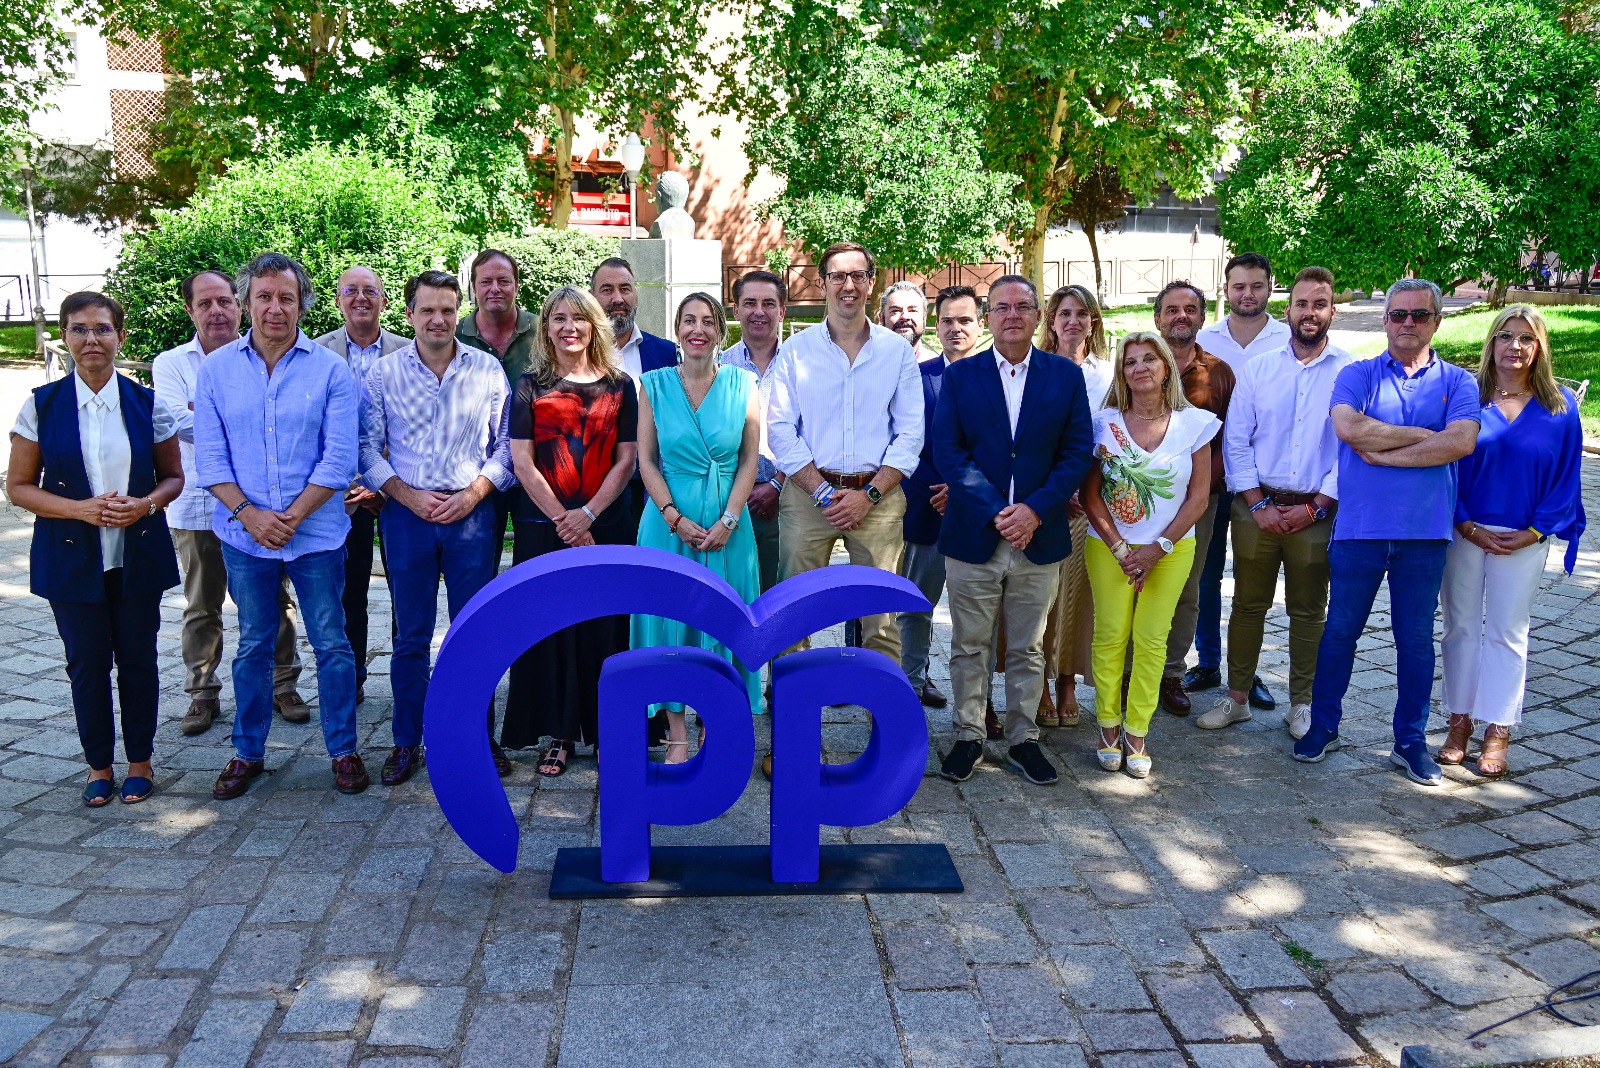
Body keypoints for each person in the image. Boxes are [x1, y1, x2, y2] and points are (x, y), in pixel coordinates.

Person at [1294, 279, 1480, 786]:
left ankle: (1409, 741)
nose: (1407, 323)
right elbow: (1349, 429)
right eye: (1398, 314)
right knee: (1340, 633)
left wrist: (1386, 452)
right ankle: (1324, 726)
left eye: (1419, 315)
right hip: (1359, 530)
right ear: (1385, 320)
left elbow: (1461, 442)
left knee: (1415, 641)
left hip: (1424, 533)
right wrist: (1426, 437)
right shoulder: (1357, 375)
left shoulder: (1459, 381)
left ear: (1437, 321)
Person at [195, 253, 367, 799]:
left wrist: (291, 517)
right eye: (264, 297)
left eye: (286, 298)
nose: (275, 308)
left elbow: (339, 459)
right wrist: (251, 516)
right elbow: (211, 461)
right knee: (253, 643)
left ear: (301, 305)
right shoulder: (216, 371)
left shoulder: (330, 370)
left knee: (332, 643)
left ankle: (343, 749)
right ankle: (247, 752)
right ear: (246, 302)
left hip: (316, 535)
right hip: (244, 536)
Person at [7, 291, 184, 806]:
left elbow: (173, 478)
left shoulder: (148, 403)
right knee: (86, 664)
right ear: (64, 336)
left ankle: (141, 761)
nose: (91, 339)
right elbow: (18, 487)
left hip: (137, 554)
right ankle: (98, 765)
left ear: (120, 337)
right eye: (79, 329)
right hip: (71, 555)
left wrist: (145, 505)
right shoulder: (42, 405)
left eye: (102, 329)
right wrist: (79, 509)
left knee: (138, 660)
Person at [933, 276, 1094, 786]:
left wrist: (1035, 510)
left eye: (1022, 306)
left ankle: (1024, 738)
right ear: (988, 317)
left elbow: (1076, 453)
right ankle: (969, 734)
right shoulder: (962, 376)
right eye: (1001, 308)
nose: (1012, 316)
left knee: (1029, 646)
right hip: (974, 534)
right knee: (970, 644)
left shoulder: (1065, 377)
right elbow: (948, 451)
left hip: (1038, 535)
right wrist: (999, 511)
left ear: (1038, 315)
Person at [358, 270, 515, 786]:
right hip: (407, 515)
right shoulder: (383, 374)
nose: (438, 319)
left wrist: (474, 493)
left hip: (472, 515)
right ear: (409, 314)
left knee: (474, 632)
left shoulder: (486, 369)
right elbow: (365, 448)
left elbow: (506, 448)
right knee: (410, 635)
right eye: (427, 310)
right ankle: (407, 740)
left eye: (447, 310)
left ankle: (477, 739)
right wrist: (405, 495)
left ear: (458, 313)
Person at [153, 270, 307, 736]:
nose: (216, 311)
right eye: (205, 304)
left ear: (239, 305)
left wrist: (218, 415)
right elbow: (176, 422)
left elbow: (274, 421)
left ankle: (283, 684)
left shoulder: (262, 355)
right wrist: (235, 418)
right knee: (202, 604)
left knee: (274, 599)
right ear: (190, 310)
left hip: (259, 509)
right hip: (196, 506)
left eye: (224, 301)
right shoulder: (171, 364)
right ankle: (202, 692)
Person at [1208, 267, 1356, 737]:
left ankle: (1303, 704)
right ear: (1287, 309)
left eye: (1319, 304)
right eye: (1302, 304)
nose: (1310, 313)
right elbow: (1236, 441)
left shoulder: (1350, 372)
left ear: (1332, 311)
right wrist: (1257, 504)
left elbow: (1350, 449)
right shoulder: (1259, 369)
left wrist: (1317, 506)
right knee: (1247, 605)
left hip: (1317, 511)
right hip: (1256, 508)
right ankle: (1237, 698)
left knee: (1308, 611)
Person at [1439, 305, 1583, 777]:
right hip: (1465, 532)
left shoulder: (1561, 406)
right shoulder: (1468, 397)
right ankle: (1458, 721)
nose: (1514, 346)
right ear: (1492, 343)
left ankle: (1498, 728)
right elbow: (1448, 465)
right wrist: (1465, 524)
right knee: (1460, 627)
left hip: (1526, 536)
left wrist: (1536, 531)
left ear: (1539, 347)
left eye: (1525, 338)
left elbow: (1567, 476)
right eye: (1505, 336)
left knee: (1508, 631)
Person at [502, 286, 639, 776]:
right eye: (558, 318)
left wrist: (588, 516)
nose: (569, 327)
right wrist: (565, 518)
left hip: (607, 526)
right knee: (554, 628)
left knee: (606, 628)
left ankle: (606, 731)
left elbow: (627, 461)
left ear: (593, 325)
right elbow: (522, 462)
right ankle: (559, 734)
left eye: (578, 318)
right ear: (546, 327)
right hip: (545, 528)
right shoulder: (529, 385)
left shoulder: (621, 385)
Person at [767, 241, 923, 665]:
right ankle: (791, 704)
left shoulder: (895, 351)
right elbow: (780, 430)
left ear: (872, 284)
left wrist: (868, 495)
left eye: (857, 276)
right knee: (793, 613)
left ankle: (881, 707)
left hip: (879, 499)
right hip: (807, 497)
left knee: (882, 620)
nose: (848, 285)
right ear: (822, 284)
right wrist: (822, 492)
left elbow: (910, 434)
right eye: (838, 276)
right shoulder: (796, 351)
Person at [1082, 331, 1219, 778]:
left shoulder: (1195, 423)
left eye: (1149, 359)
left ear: (1165, 367)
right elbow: (1090, 494)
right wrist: (1122, 548)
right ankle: (1107, 724)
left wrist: (1156, 550)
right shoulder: (1102, 423)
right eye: (1130, 361)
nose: (1140, 367)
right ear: (1121, 372)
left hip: (1172, 549)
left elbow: (1199, 498)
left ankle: (1137, 729)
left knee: (1152, 639)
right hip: (1110, 548)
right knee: (1110, 635)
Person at [634, 293, 762, 761]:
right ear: (677, 329)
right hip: (667, 526)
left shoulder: (744, 384)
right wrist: (673, 517)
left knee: (725, 621)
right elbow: (646, 460)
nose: (698, 330)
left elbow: (749, 459)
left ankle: (716, 724)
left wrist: (729, 518)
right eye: (689, 321)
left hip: (730, 525)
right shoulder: (652, 385)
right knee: (670, 622)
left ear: (720, 331)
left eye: (708, 321)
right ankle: (677, 734)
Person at [1186, 254, 1290, 711]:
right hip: (1208, 481)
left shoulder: (1286, 340)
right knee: (1205, 576)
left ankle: (1246, 673)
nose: (1247, 294)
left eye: (1257, 285)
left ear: (1270, 287)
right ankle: (1208, 660)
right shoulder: (1204, 341)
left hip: (1260, 483)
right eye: (1239, 286)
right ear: (1225, 289)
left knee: (1252, 582)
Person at [1147, 281, 1243, 718]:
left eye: (1190, 309)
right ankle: (1131, 671)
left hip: (1198, 503)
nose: (1180, 316)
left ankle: (1170, 674)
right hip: (1142, 497)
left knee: (1186, 588)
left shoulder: (1219, 373)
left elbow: (1230, 439)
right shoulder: (1138, 363)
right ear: (1158, 318)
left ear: (1203, 318)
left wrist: (1200, 488)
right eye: (1171, 309)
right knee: (1136, 580)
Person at [314, 266, 409, 704]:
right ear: (338, 300)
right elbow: (314, 428)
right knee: (347, 592)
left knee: (405, 590)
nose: (360, 298)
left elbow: (414, 428)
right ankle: (349, 679)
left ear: (384, 301)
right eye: (350, 290)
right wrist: (351, 484)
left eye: (370, 290)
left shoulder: (409, 351)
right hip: (338, 494)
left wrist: (380, 484)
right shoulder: (316, 352)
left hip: (397, 492)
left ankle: (407, 680)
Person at [899, 285, 982, 710]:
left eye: (965, 320)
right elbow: (904, 443)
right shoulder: (917, 378)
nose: (955, 328)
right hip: (927, 507)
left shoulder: (999, 377)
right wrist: (940, 490)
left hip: (982, 515)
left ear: (980, 324)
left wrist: (965, 490)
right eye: (947, 320)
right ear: (936, 325)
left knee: (977, 614)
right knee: (915, 604)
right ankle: (911, 685)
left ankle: (978, 702)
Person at [1035, 283, 1113, 727]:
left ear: (1093, 321)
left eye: (1082, 314)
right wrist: (1055, 489)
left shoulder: (1109, 374)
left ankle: (1067, 680)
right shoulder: (1036, 366)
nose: (1073, 321)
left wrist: (1084, 490)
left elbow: (1113, 436)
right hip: (1045, 499)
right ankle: (1041, 682)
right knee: (1041, 597)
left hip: (1090, 501)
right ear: (1051, 320)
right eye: (1064, 313)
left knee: (1077, 598)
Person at [457, 249, 540, 571]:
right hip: (475, 474)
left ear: (517, 285)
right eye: (486, 281)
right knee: (477, 568)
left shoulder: (543, 331)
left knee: (532, 566)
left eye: (503, 281)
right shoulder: (455, 335)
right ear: (473, 287)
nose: (495, 289)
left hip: (535, 470)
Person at [591, 256, 679, 530]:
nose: (618, 298)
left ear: (636, 294)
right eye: (607, 290)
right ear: (592, 297)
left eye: (625, 288)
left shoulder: (665, 353)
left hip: (652, 490)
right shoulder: (579, 353)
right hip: (595, 491)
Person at [720, 269, 788, 592]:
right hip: (733, 504)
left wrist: (777, 483)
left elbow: (814, 432)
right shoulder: (719, 368)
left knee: (782, 597)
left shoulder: (801, 365)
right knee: (737, 594)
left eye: (768, 303)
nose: (759, 311)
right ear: (736, 310)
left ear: (782, 311)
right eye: (749, 303)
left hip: (790, 501)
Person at [881, 280, 940, 361]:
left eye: (912, 310)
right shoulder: (867, 365)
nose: (905, 316)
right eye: (895, 311)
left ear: (924, 317)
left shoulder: (939, 367)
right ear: (881, 317)